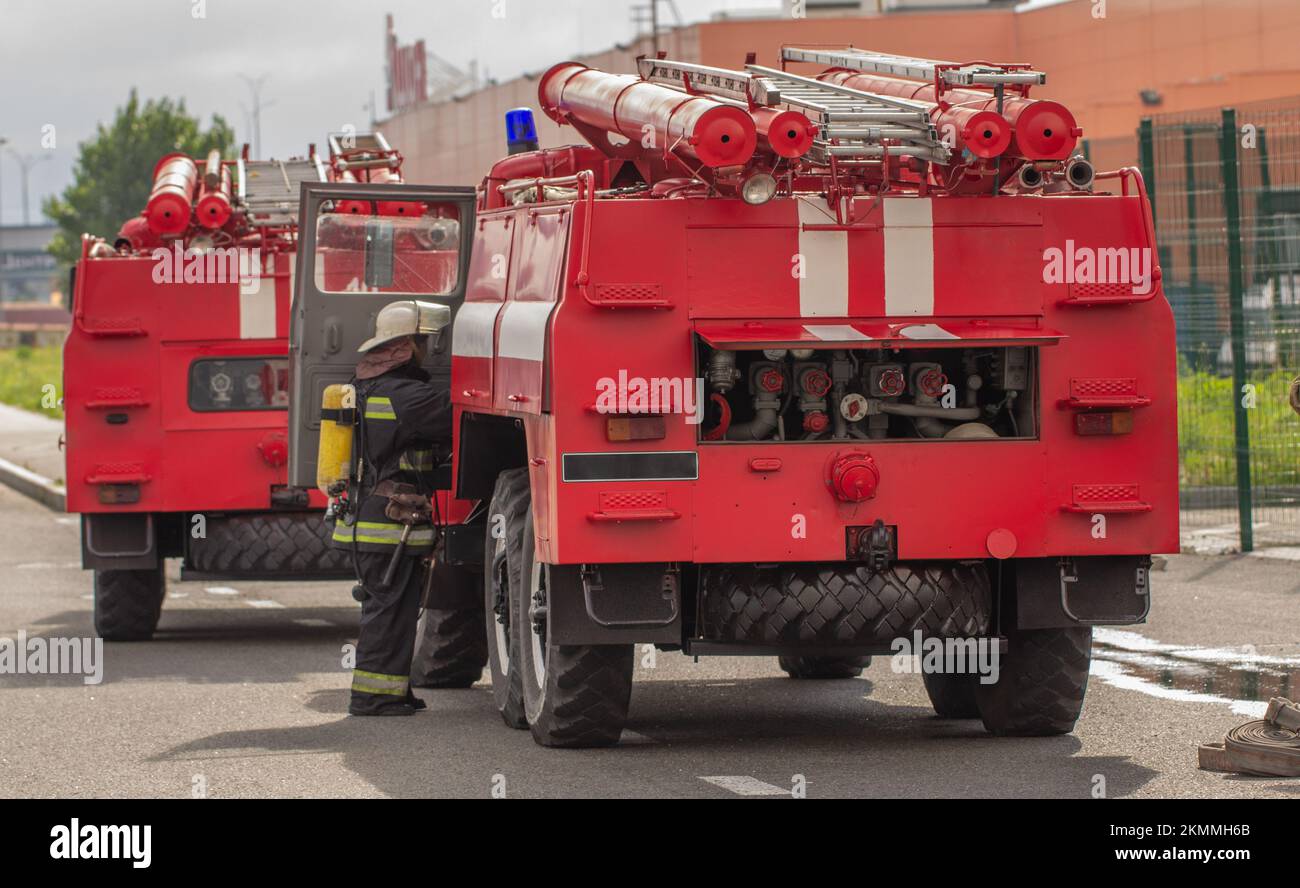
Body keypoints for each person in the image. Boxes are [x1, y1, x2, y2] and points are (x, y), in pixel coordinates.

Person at [334, 300, 452, 716]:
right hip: (389, 523)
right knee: (388, 610)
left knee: (392, 608)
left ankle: (392, 691)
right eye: (422, 340)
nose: (428, 348)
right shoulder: (409, 397)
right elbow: (457, 420)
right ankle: (372, 697)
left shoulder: (363, 387)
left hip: (366, 517)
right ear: (406, 345)